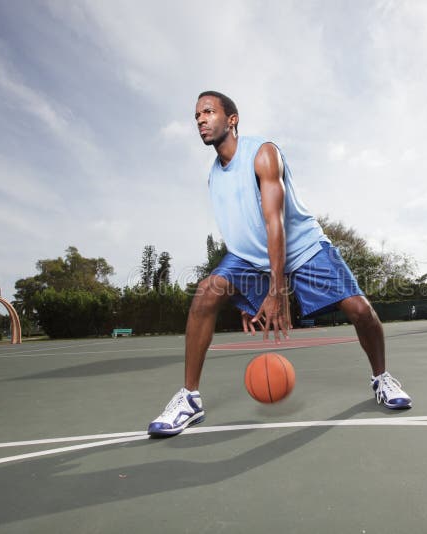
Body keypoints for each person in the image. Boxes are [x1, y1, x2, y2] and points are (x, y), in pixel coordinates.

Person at [147, 91, 411, 436]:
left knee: (360, 310)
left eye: (208, 112)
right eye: (196, 115)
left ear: (232, 120)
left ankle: (381, 378)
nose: (199, 120)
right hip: (250, 258)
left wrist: (276, 290)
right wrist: (244, 293)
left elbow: (275, 223)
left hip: (302, 247)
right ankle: (189, 399)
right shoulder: (214, 175)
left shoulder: (263, 154)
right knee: (206, 293)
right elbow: (241, 230)